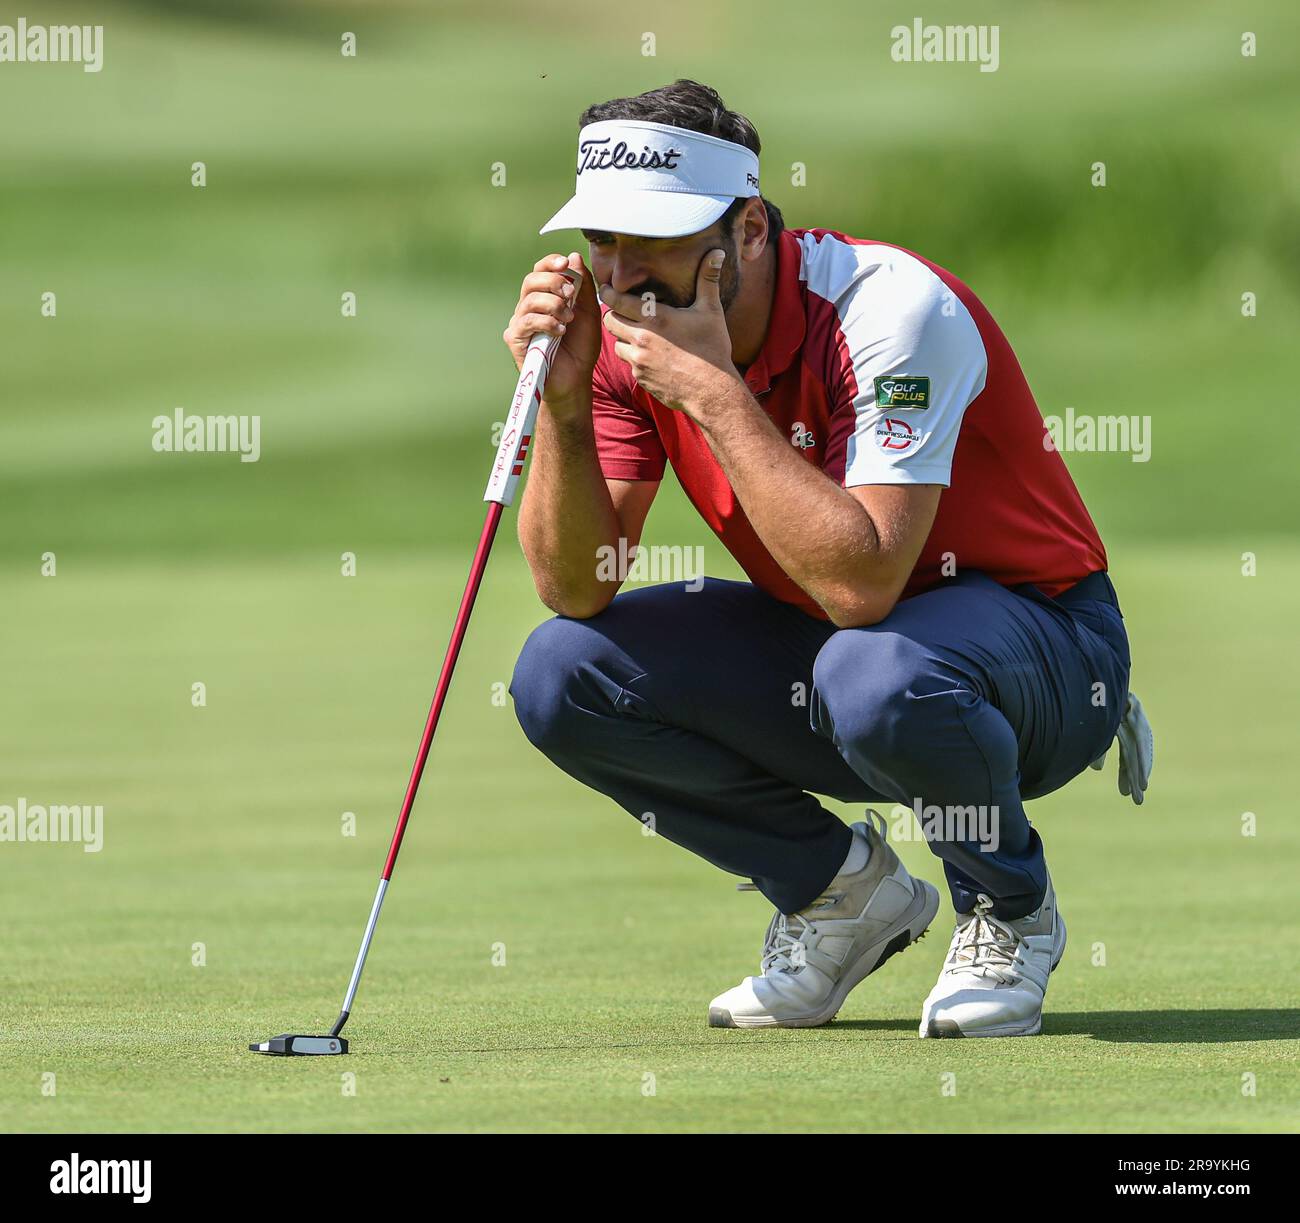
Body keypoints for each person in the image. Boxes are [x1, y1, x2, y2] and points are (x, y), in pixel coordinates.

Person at [503, 80, 1153, 1038]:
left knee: (874, 667)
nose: (623, 273)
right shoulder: (619, 343)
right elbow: (575, 584)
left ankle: (1010, 909)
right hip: (847, 653)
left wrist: (718, 395)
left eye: (659, 239)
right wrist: (562, 407)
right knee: (562, 672)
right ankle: (839, 893)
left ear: (751, 231)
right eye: (603, 240)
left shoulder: (893, 309)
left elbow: (861, 582)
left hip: (1046, 643)